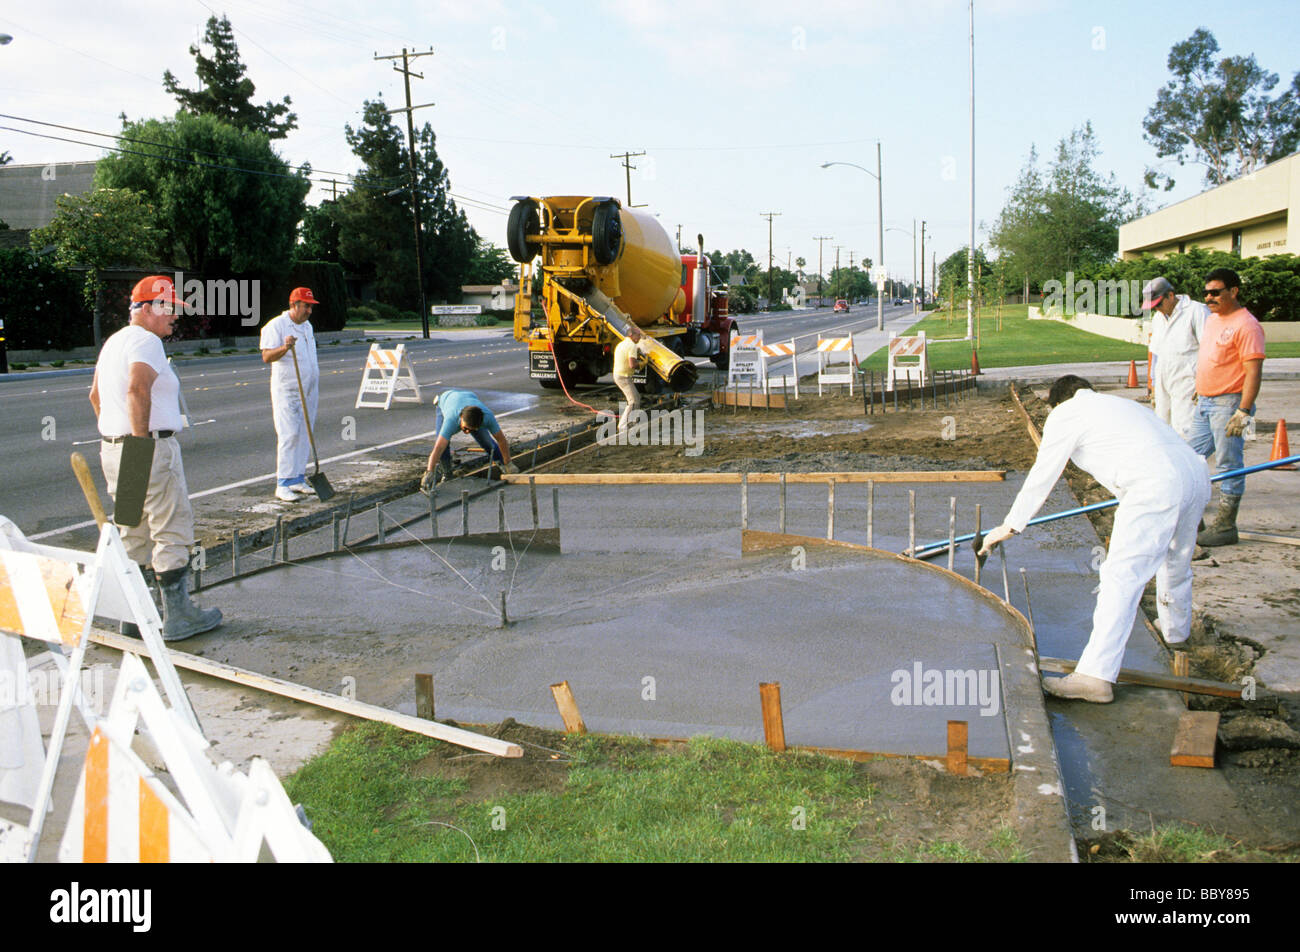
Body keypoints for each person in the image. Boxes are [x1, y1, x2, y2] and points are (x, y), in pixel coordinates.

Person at [979, 375, 1209, 703]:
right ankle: (1175, 632)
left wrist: (1010, 525)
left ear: (1057, 402)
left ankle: (1095, 677)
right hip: (1195, 475)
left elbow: (1045, 470)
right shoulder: (1121, 405)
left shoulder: (1066, 413)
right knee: (1175, 561)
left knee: (1120, 576)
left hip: (1155, 483)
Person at [89, 275, 222, 641]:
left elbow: (95, 397)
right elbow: (137, 389)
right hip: (147, 446)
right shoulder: (147, 342)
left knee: (134, 530)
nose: (175, 316)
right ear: (147, 309)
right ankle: (179, 617)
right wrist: (142, 443)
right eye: (169, 309)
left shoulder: (113, 343)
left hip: (116, 447)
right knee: (171, 528)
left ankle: (134, 616)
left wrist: (122, 436)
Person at [1188, 268, 1266, 547]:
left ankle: (1225, 525)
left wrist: (1243, 411)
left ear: (1233, 291)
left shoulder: (1247, 325)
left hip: (1229, 404)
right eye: (1206, 292)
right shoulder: (1213, 321)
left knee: (1228, 463)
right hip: (1205, 402)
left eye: (1215, 292)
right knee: (1188, 457)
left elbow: (1253, 371)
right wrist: (1201, 388)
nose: (1209, 297)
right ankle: (1192, 518)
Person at [260, 287, 320, 502]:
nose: (309, 311)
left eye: (311, 306)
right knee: (289, 434)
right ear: (294, 305)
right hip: (287, 390)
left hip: (309, 389)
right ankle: (283, 482)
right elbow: (266, 356)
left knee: (305, 433)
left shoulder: (307, 327)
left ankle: (297, 477)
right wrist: (285, 347)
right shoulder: (275, 326)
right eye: (306, 306)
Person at [1141, 275, 1208, 441]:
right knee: (1162, 427)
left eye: (1159, 304)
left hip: (1187, 380)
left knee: (1184, 428)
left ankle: (1189, 464)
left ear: (1170, 295)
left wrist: (1204, 382)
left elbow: (1209, 348)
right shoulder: (1158, 318)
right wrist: (1154, 384)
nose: (1157, 309)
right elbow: (1155, 353)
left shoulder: (1196, 311)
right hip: (1164, 379)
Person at [420, 389, 517, 490]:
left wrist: (508, 462)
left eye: (471, 430)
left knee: (486, 442)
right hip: (445, 400)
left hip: (468, 397)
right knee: (444, 445)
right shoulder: (451, 420)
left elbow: (501, 440)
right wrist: (429, 471)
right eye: (465, 428)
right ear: (461, 417)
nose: (466, 432)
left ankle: (502, 465)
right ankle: (447, 474)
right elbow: (438, 447)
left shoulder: (488, 417)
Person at [611, 328, 652, 431]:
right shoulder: (632, 346)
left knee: (636, 397)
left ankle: (632, 424)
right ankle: (623, 426)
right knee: (633, 401)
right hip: (623, 376)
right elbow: (632, 364)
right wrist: (643, 364)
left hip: (618, 375)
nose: (639, 338)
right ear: (632, 335)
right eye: (638, 335)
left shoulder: (621, 344)